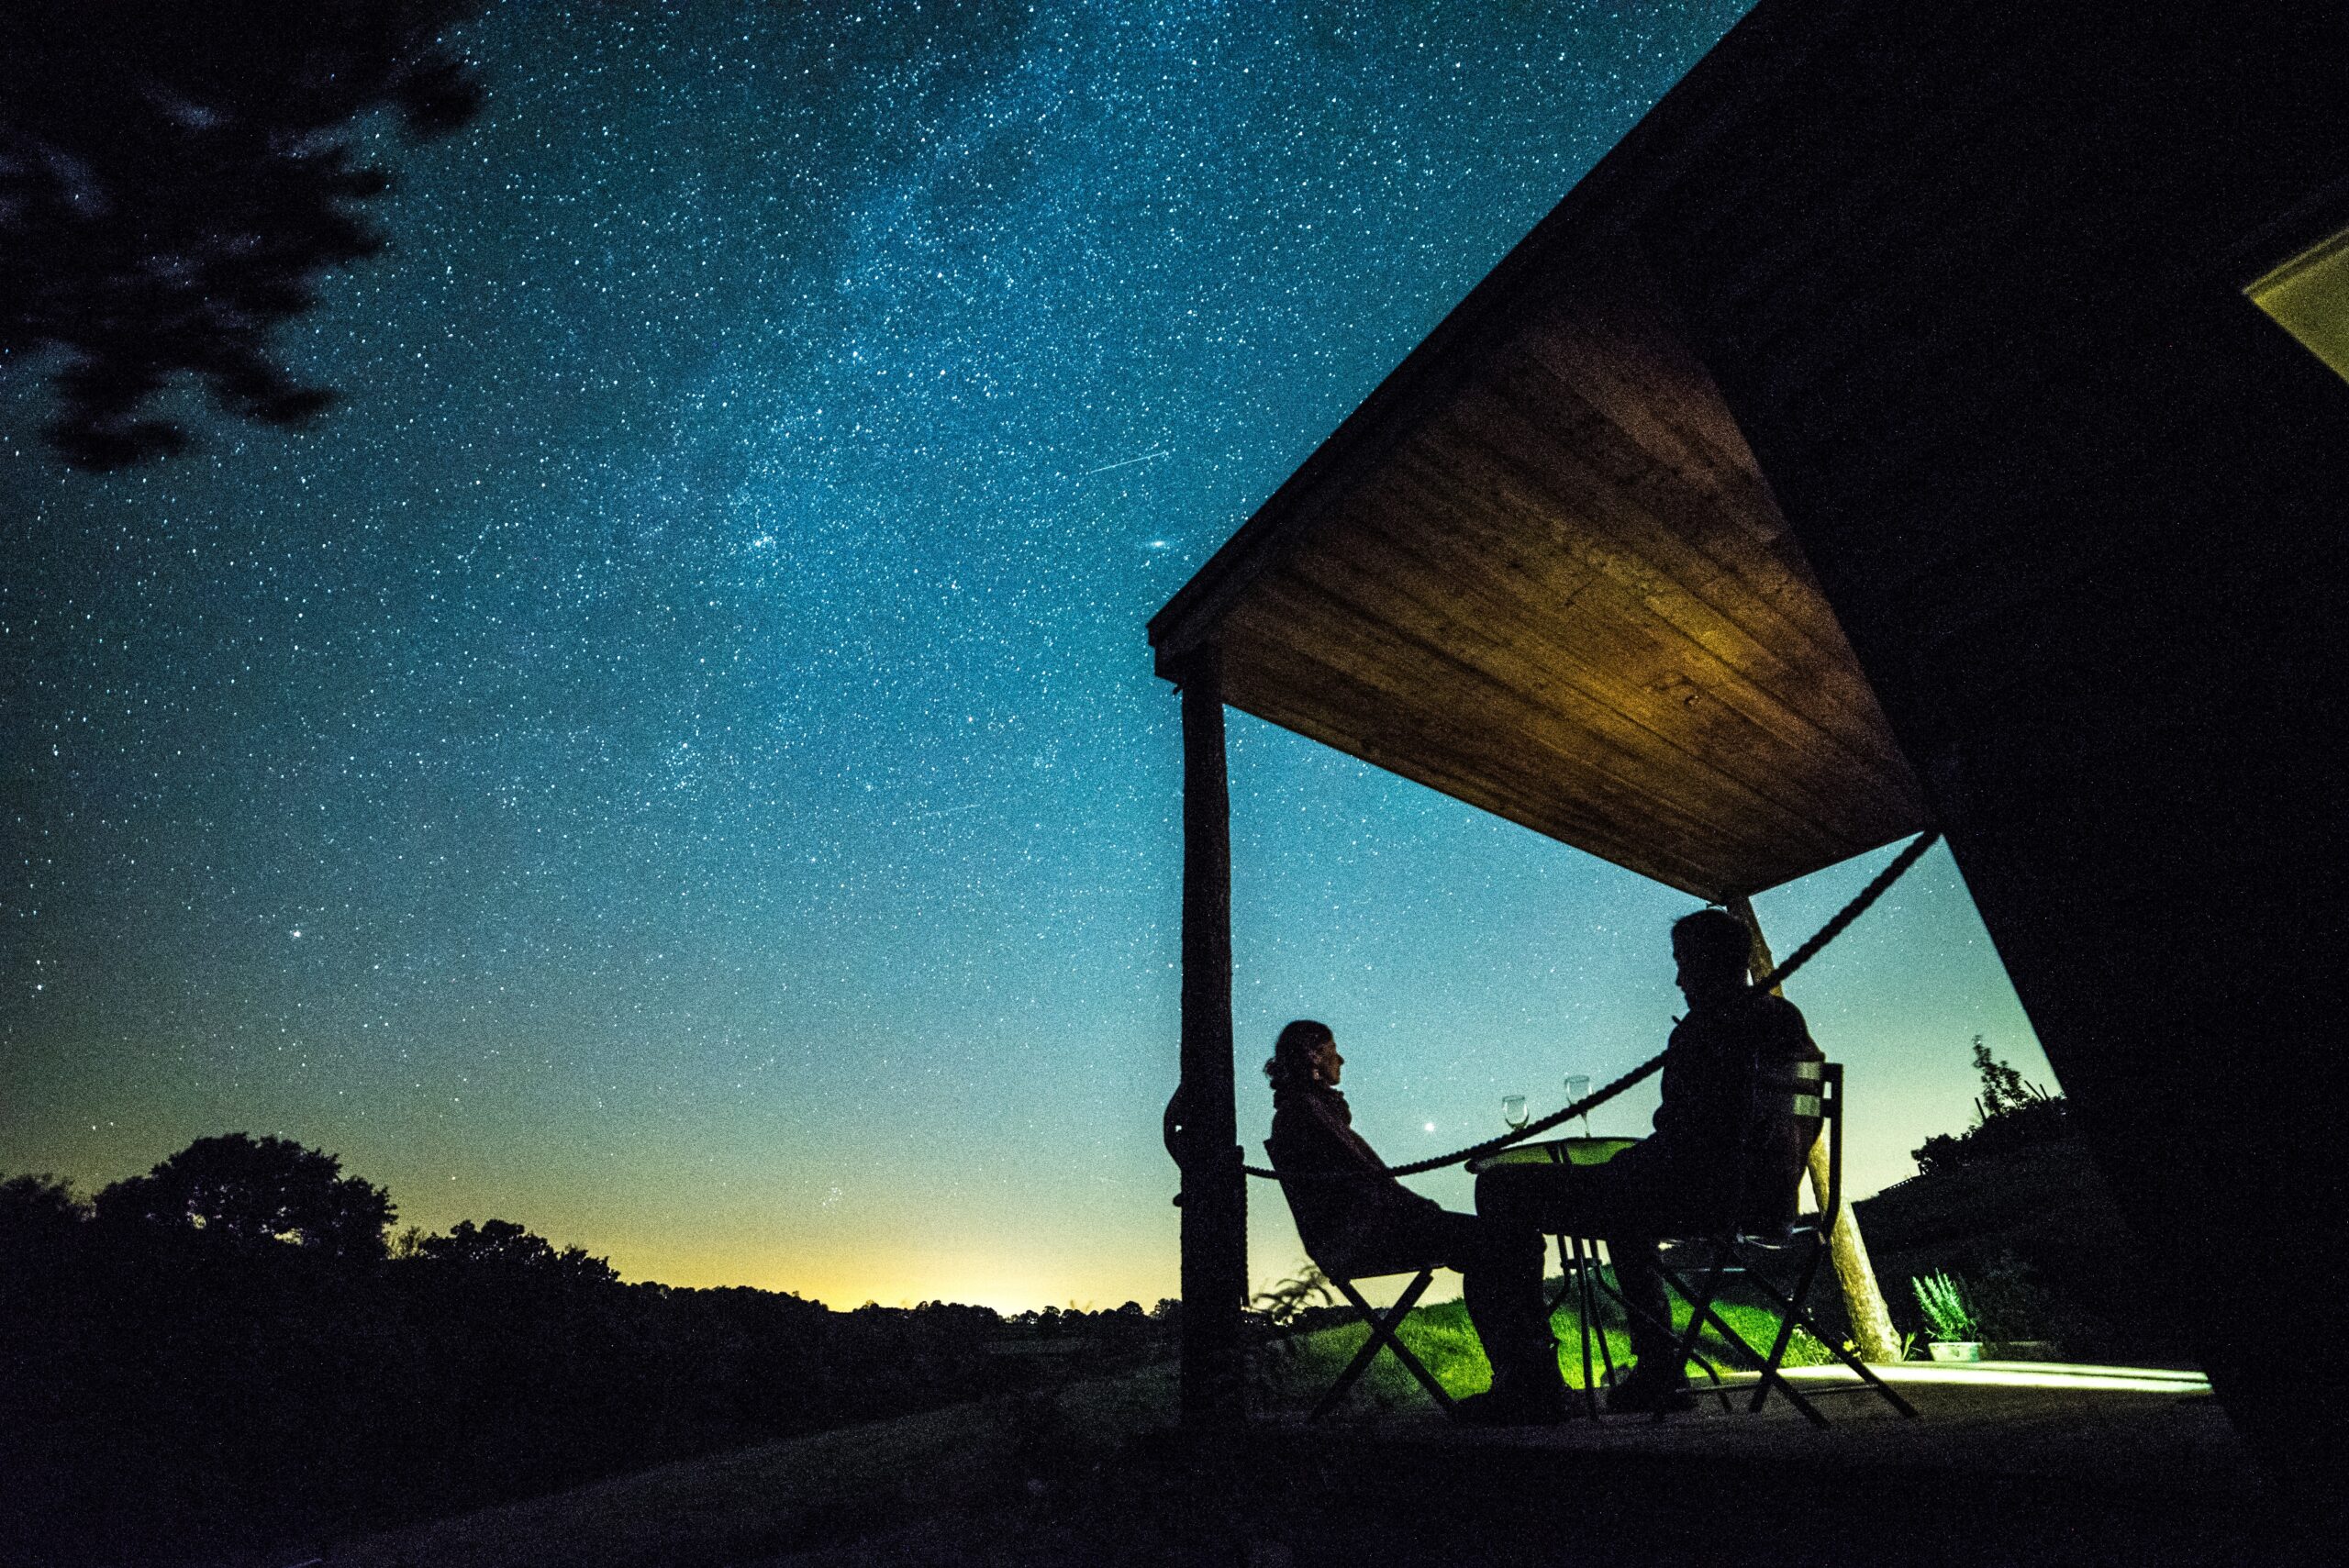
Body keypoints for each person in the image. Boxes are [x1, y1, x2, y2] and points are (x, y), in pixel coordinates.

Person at [1475, 906, 1825, 1412]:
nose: (1679, 979)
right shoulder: (1784, 1021)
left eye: (1683, 962)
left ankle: (1529, 1378)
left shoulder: (1710, 1027)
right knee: (1627, 1208)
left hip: (1706, 1195)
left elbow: (1689, 1135)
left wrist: (1627, 1165)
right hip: (1763, 1197)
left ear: (1708, 961)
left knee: (1503, 1187)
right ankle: (1659, 1368)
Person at [1264, 1018, 1564, 1423]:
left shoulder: (1307, 1111)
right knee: (1507, 1242)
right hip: (1365, 1236)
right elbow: (1367, 1184)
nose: (1342, 1060)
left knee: (1507, 1241)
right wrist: (1425, 1211)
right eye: (1333, 1050)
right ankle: (1527, 1383)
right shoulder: (1306, 1112)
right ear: (1314, 1056)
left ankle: (1528, 1381)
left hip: (1368, 1230)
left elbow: (1363, 1184)